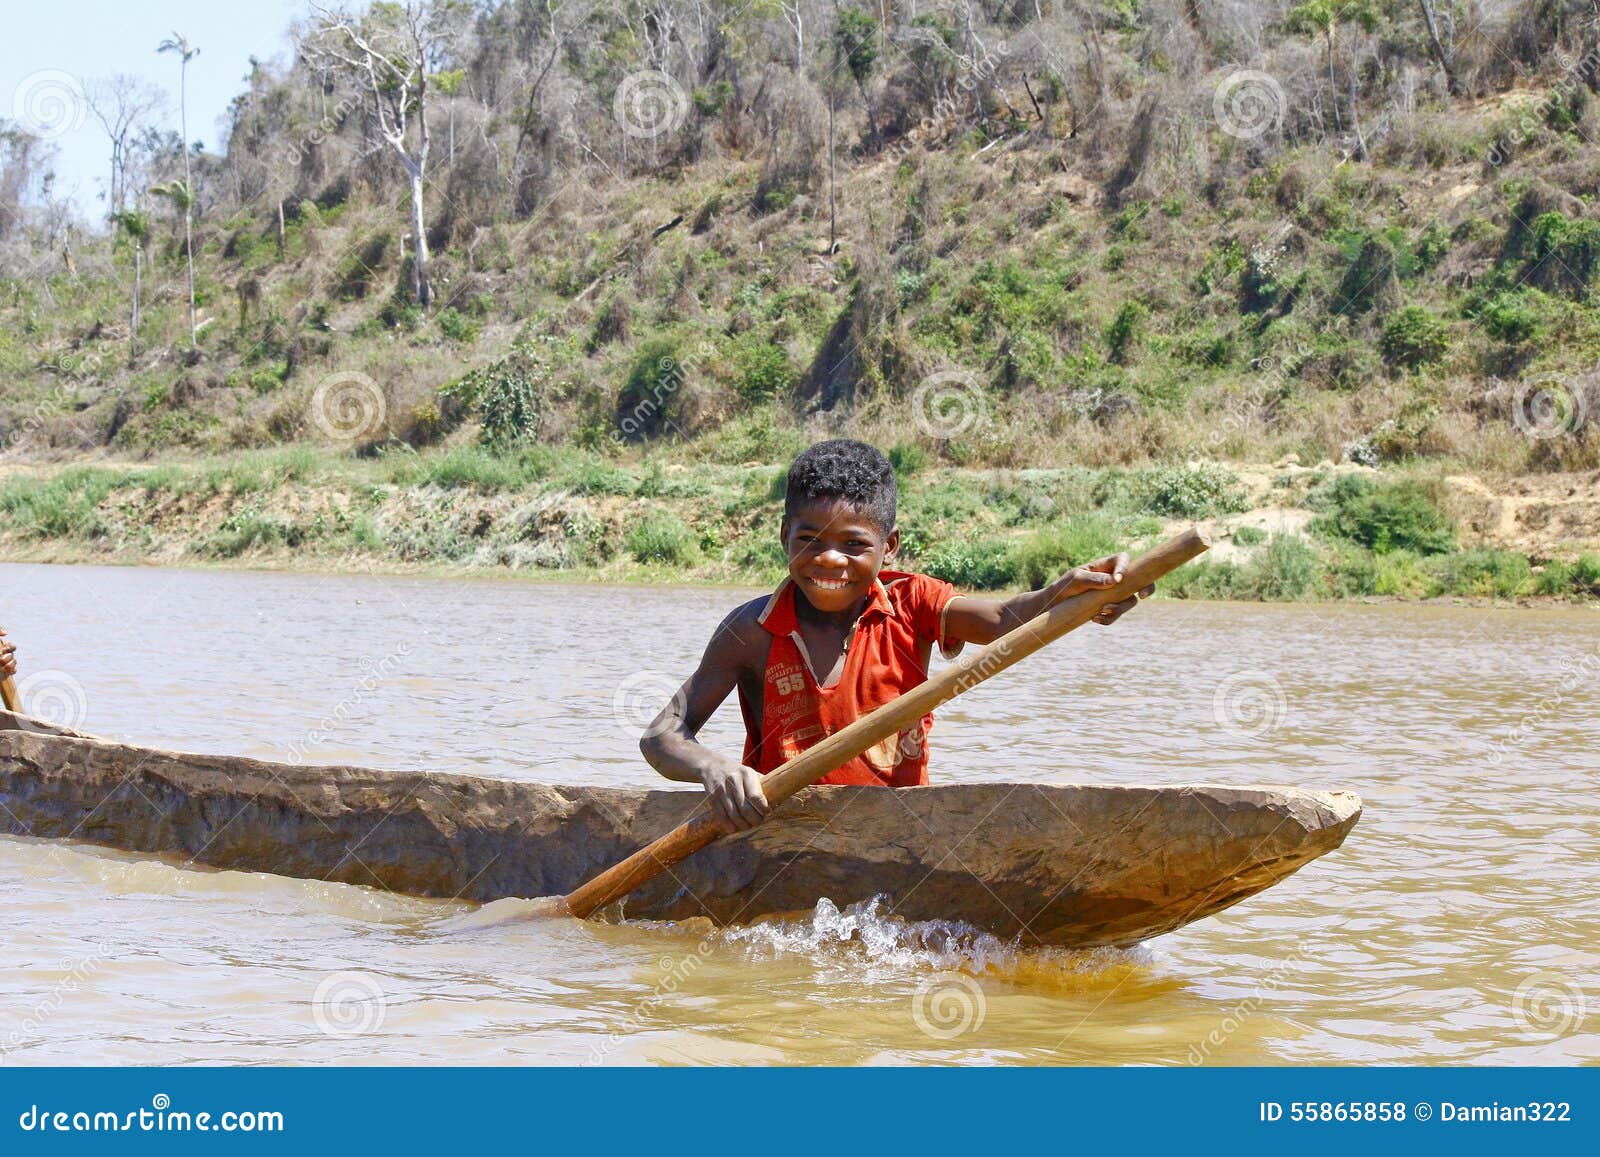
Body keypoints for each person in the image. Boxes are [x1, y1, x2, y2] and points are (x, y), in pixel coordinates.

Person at [641, 439, 1154, 833]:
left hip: (899, 831)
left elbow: (1003, 617)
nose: (829, 560)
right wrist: (714, 768)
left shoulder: (915, 605)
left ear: (889, 549)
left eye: (853, 544)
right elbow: (662, 735)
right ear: (784, 538)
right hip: (785, 837)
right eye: (809, 540)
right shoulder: (749, 631)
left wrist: (1071, 596)